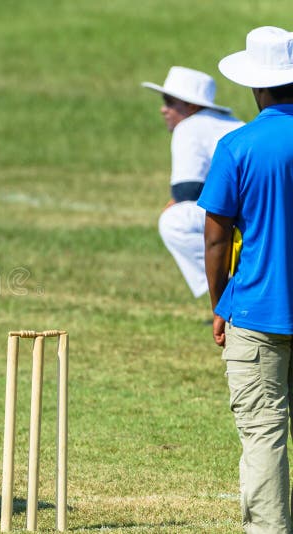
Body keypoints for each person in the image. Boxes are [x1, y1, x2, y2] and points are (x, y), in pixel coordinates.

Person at [198, 26, 293, 533]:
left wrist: (219, 302)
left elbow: (215, 238)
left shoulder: (238, 145)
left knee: (263, 436)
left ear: (257, 87)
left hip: (256, 312)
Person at [142, 66, 244, 298]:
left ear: (192, 106)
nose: (163, 109)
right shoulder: (230, 122)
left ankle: (228, 290)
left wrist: (176, 201)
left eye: (169, 101)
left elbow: (187, 189)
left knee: (175, 219)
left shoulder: (190, 126)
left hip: (247, 216)